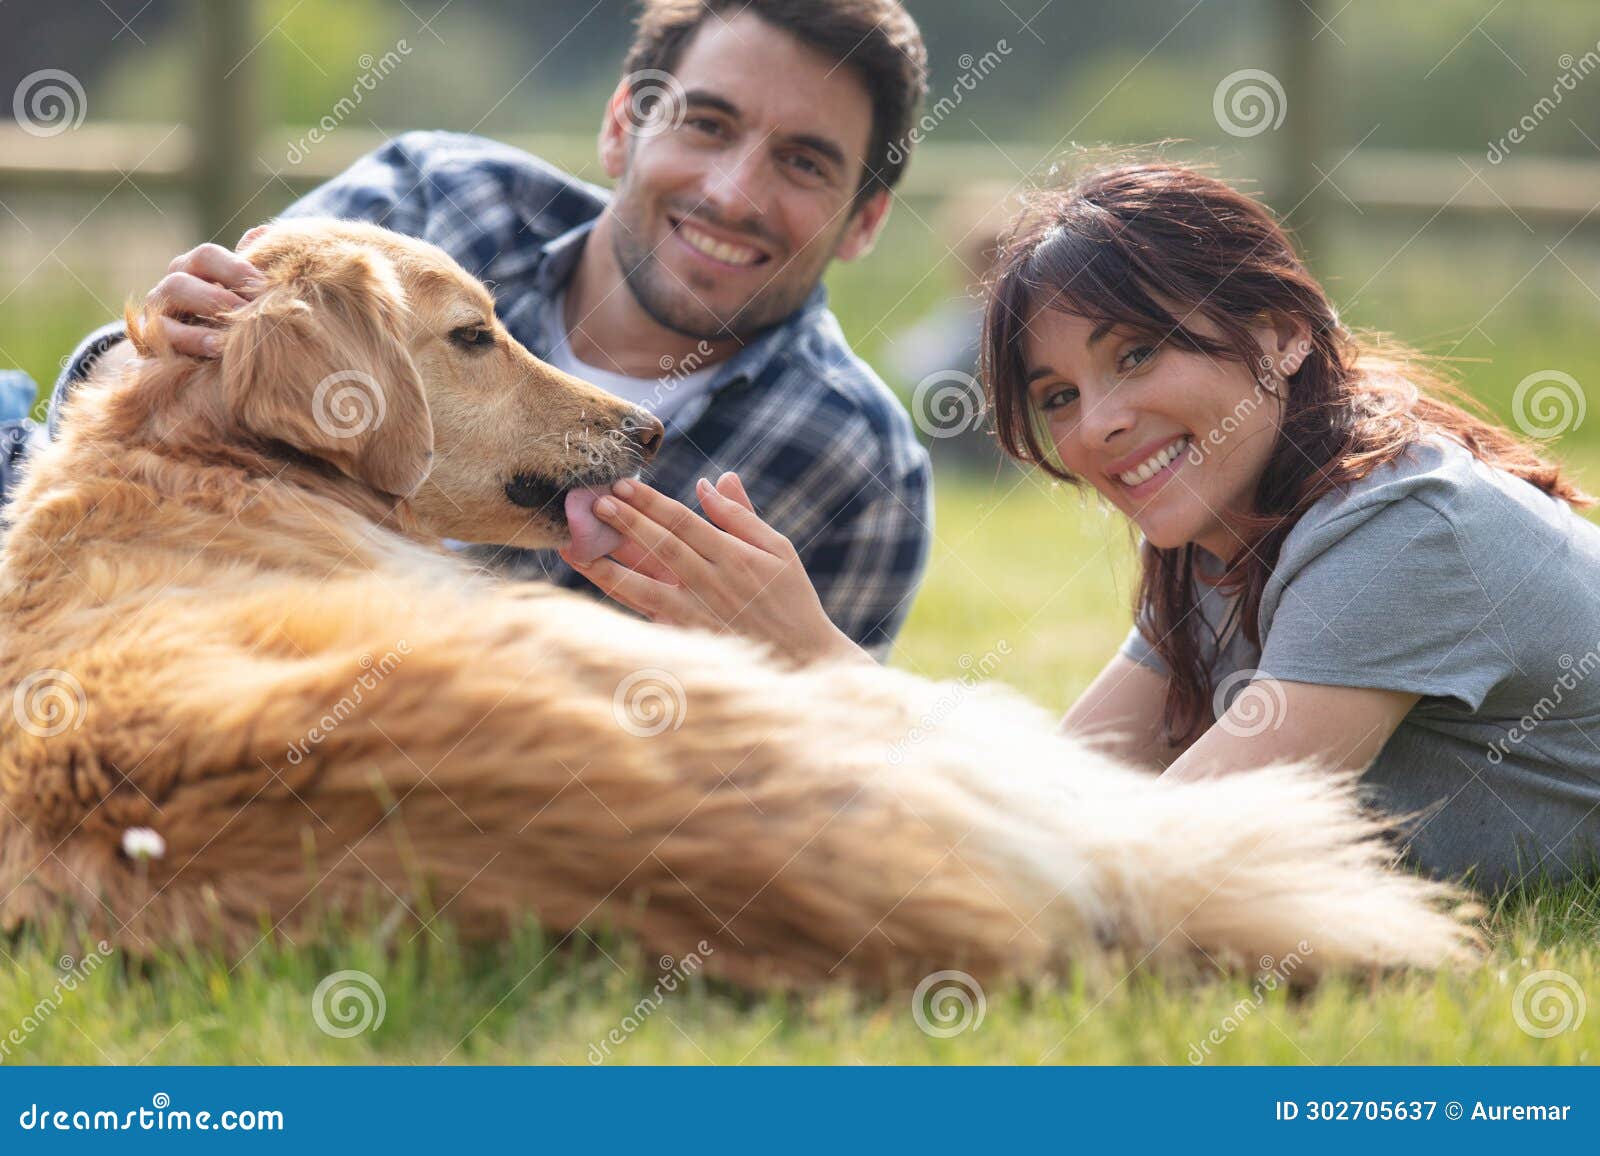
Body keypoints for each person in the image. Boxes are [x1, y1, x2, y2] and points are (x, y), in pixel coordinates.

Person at [576, 160, 1600, 893]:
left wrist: (819, 661)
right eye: (1057, 396)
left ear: (1283, 334)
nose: (1097, 423)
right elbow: (1060, 792)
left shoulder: (1402, 530)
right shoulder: (1228, 532)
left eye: (1137, 353)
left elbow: (1156, 860)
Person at [7, 0, 934, 660]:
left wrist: (810, 669)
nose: (732, 193)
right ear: (623, 126)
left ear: (864, 222)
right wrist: (149, 350)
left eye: (804, 163)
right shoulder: (434, 196)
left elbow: (816, 802)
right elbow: (164, 405)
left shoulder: (862, 468)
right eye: (708, 125)